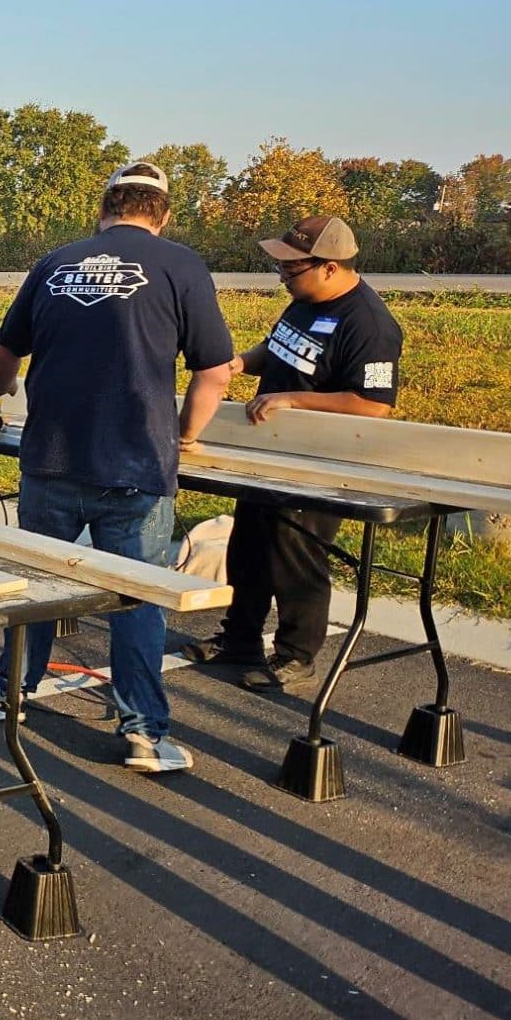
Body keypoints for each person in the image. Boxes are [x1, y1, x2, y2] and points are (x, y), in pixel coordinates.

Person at [0, 161, 234, 774]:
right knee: (137, 598)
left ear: (105, 207)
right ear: (162, 214)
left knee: (36, 582)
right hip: (136, 464)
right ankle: (143, 733)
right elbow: (216, 371)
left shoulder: (54, 263)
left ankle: (10, 689)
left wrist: (1, 386)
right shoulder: (180, 265)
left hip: (51, 458)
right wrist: (186, 434)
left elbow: (5, 350)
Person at [184, 215, 402, 691]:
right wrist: (241, 362)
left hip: (318, 462)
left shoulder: (369, 324)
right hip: (269, 453)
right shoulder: (303, 302)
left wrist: (292, 399)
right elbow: (279, 348)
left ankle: (296, 654)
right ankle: (238, 639)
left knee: (295, 556)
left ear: (329, 267)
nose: (282, 277)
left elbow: (373, 405)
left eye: (292, 269)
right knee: (249, 549)